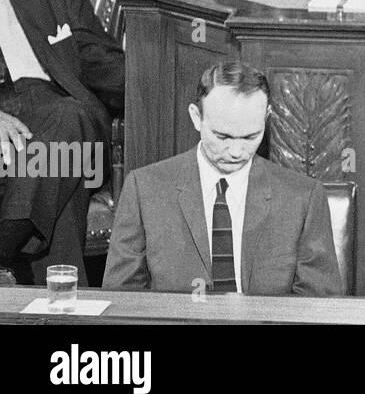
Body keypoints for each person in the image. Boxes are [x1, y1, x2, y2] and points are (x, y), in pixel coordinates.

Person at [104, 62, 343, 296]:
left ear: (267, 117)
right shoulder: (145, 189)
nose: (237, 151)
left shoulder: (302, 197)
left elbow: (319, 308)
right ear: (196, 117)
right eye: (222, 136)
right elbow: (121, 300)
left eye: (250, 136)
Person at [0, 0, 124, 286]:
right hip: (22, 145)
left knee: (69, 117)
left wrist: (167, 90)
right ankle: (67, 319)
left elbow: (102, 60)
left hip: (65, 121)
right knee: (62, 182)